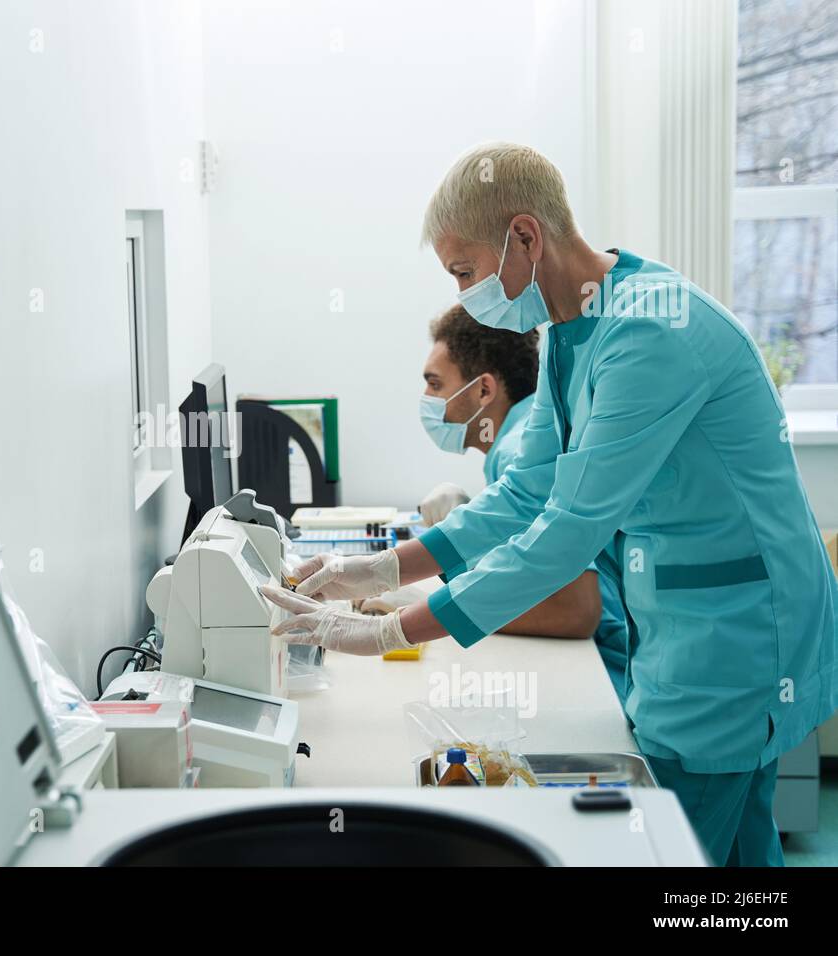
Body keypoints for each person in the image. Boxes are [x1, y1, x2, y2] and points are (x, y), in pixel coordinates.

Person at [262, 143, 838, 867]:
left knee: (678, 856)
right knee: (739, 855)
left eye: (465, 272)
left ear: (526, 237)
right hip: (692, 620)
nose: (466, 293)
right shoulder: (577, 330)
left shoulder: (649, 332)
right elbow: (527, 495)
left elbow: (567, 532)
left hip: (739, 634)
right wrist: (379, 570)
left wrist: (388, 632)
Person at [365, 304, 629, 701]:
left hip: (607, 677)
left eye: (435, 384)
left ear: (484, 390)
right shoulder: (519, 438)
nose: (427, 398)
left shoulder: (518, 448)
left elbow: (576, 611)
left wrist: (434, 606)